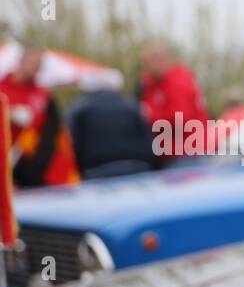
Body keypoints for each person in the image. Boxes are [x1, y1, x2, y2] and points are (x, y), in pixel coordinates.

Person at [0, 45, 79, 188]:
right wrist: (8, 114)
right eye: (33, 63)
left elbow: (50, 133)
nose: (36, 69)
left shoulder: (43, 95)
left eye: (39, 65)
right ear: (22, 61)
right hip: (4, 160)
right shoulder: (2, 88)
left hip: (31, 169)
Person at [65, 69, 156, 178]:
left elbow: (70, 141)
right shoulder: (132, 105)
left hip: (95, 170)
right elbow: (148, 137)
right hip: (137, 166)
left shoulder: (79, 108)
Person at [139, 42, 209, 161]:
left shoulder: (176, 81)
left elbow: (181, 117)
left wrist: (149, 115)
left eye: (148, 63)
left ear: (161, 59)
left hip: (187, 153)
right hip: (173, 153)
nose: (147, 68)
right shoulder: (154, 84)